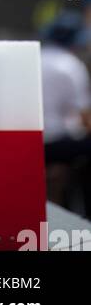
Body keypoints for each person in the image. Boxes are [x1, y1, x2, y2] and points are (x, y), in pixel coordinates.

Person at [40, 11, 91, 218]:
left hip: (25, 140)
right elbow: (85, 117)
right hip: (52, 143)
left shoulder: (36, 58)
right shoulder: (70, 66)